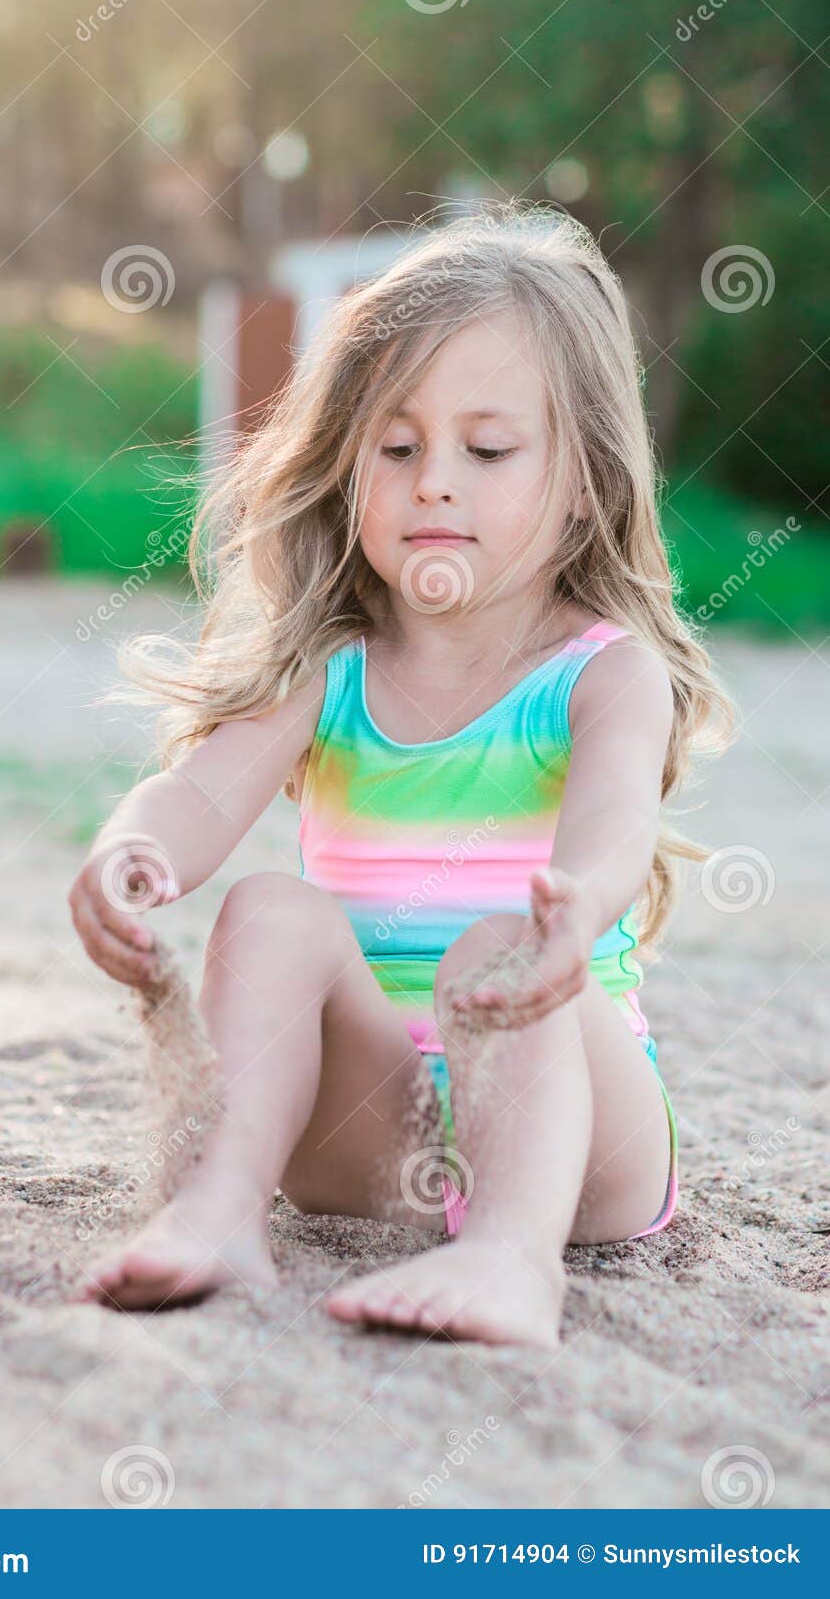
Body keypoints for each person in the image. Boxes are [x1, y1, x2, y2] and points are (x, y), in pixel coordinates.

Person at [69, 201, 735, 1345]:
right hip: (381, 1144)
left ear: (583, 479)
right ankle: (222, 1208)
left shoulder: (596, 671)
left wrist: (580, 901)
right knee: (270, 908)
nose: (433, 482)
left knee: (495, 943)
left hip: (582, 1140)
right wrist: (131, 849)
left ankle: (509, 1261)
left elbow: (619, 805)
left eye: (485, 450)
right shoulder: (330, 664)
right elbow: (200, 793)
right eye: (395, 447)